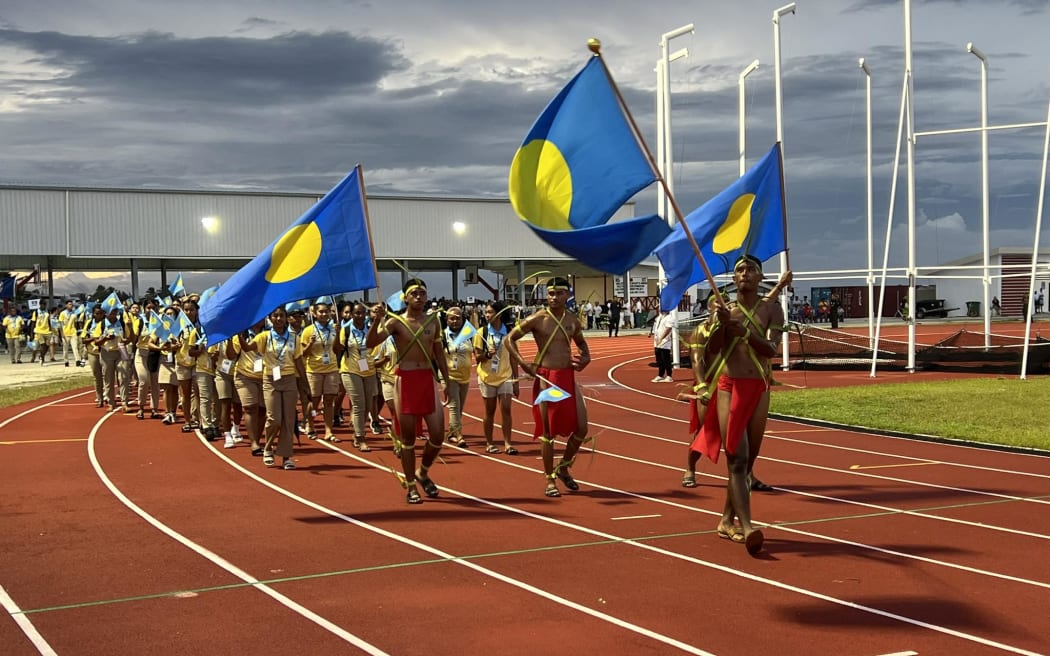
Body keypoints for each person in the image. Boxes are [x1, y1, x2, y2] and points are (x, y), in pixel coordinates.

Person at [703, 256, 787, 555]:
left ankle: (726, 520)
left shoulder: (771, 309)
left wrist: (744, 332)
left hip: (760, 387)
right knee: (737, 460)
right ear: (734, 277)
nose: (745, 274)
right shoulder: (724, 310)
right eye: (740, 270)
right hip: (730, 387)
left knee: (747, 464)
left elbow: (771, 349)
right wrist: (723, 327)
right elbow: (709, 352)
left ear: (760, 275)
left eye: (751, 269)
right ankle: (748, 525)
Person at [366, 279, 450, 504]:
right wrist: (376, 320)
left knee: (438, 435)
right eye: (414, 293)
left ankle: (423, 472)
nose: (419, 297)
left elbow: (439, 353)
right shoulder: (396, 323)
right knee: (408, 438)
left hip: (427, 380)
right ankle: (411, 484)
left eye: (423, 293)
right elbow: (371, 342)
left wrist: (446, 381)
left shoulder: (434, 321)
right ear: (405, 297)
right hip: (405, 380)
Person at [505, 277, 591, 498]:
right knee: (548, 433)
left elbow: (581, 344)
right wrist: (523, 363)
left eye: (558, 293)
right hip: (547, 379)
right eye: (550, 293)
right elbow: (509, 339)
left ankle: (563, 467)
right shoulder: (538, 319)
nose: (554, 297)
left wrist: (585, 357)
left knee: (581, 428)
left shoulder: (572, 320)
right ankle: (549, 479)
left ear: (567, 295)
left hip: (568, 378)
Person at [239, 307, 304, 469]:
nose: (279, 319)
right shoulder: (264, 337)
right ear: (270, 318)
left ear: (286, 318)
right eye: (275, 316)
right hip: (270, 379)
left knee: (288, 420)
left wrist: (305, 385)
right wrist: (239, 334)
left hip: (289, 379)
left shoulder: (294, 338)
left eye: (282, 316)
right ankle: (268, 448)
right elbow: (247, 348)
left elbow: (298, 361)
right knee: (274, 419)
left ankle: (286, 456)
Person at [474, 300, 520, 454]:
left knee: (506, 409)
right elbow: (477, 358)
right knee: (490, 411)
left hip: (505, 376)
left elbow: (514, 357)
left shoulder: (509, 332)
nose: (487, 315)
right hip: (487, 377)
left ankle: (508, 444)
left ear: (499, 314)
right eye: (486, 312)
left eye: (490, 312)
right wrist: (487, 354)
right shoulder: (482, 333)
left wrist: (516, 381)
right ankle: (490, 442)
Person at [334, 302, 379, 450]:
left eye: (362, 313)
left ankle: (356, 433)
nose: (360, 316)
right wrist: (336, 334)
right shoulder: (345, 330)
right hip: (350, 370)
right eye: (357, 313)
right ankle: (361, 438)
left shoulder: (370, 329)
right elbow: (337, 349)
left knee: (367, 404)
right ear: (352, 315)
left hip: (369, 370)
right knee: (359, 403)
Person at [300, 298, 340, 443]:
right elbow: (303, 353)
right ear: (315, 314)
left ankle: (328, 430)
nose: (324, 314)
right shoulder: (308, 330)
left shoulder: (334, 328)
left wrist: (337, 334)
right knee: (314, 401)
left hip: (331, 368)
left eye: (326, 311)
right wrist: (310, 343)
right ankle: (310, 425)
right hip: (314, 370)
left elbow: (337, 349)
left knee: (329, 400)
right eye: (321, 312)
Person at [442, 306, 474, 448]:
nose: (455, 321)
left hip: (465, 375)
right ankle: (459, 435)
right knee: (454, 406)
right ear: (447, 320)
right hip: (449, 376)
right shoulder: (442, 336)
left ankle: (452, 432)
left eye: (458, 318)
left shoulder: (469, 334)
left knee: (460, 407)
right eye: (452, 318)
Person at [651, 309, 674, 382]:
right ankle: (660, 375)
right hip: (657, 340)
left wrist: (661, 337)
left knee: (665, 359)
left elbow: (668, 328)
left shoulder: (669, 317)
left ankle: (669, 375)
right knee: (659, 359)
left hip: (665, 341)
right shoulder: (659, 317)